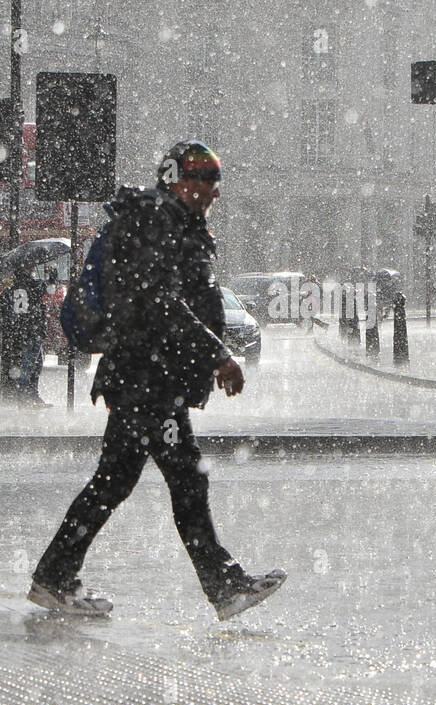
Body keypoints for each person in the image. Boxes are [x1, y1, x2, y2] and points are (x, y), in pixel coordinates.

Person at [29, 140, 286, 620]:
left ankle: (55, 576)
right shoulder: (157, 223)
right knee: (183, 480)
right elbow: (161, 304)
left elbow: (166, 301)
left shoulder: (170, 223)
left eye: (216, 176)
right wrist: (218, 355)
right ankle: (223, 585)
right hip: (147, 380)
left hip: (146, 378)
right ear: (175, 177)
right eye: (201, 176)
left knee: (117, 482)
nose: (211, 187)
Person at [0, 266, 48, 407]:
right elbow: (44, 292)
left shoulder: (8, 292)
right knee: (32, 365)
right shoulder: (33, 289)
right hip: (32, 332)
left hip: (18, 334)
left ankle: (27, 395)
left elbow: (0, 313)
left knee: (30, 364)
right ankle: (27, 396)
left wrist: (10, 329)